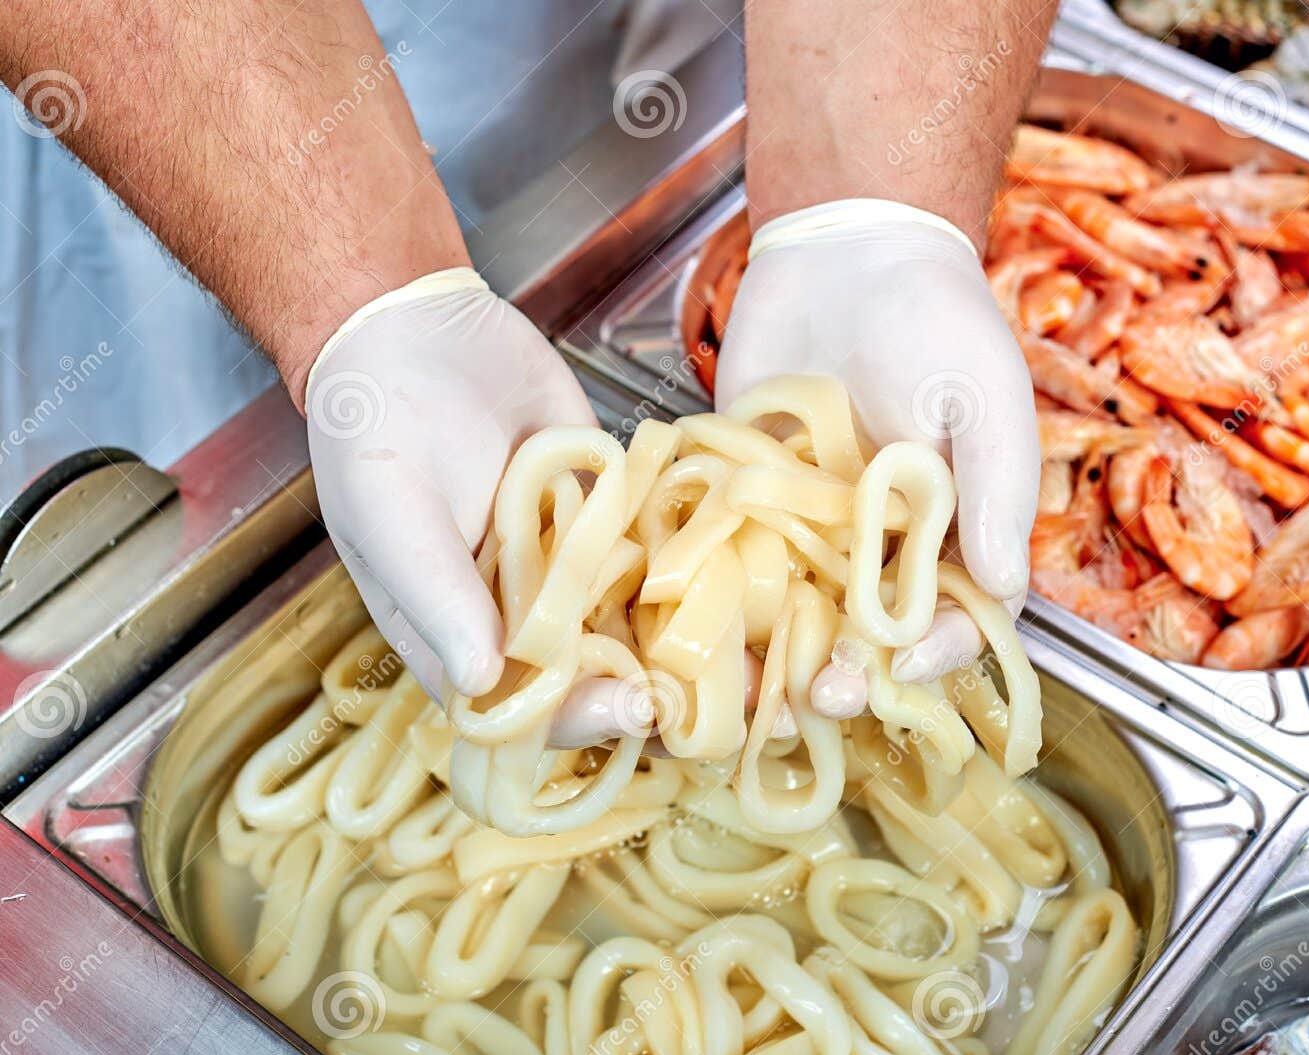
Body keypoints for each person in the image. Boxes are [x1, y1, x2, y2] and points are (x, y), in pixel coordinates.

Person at [0, 0, 1050, 739]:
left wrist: (869, 200)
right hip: (163, 79)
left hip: (543, 58)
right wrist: (357, 294)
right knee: (141, 574)